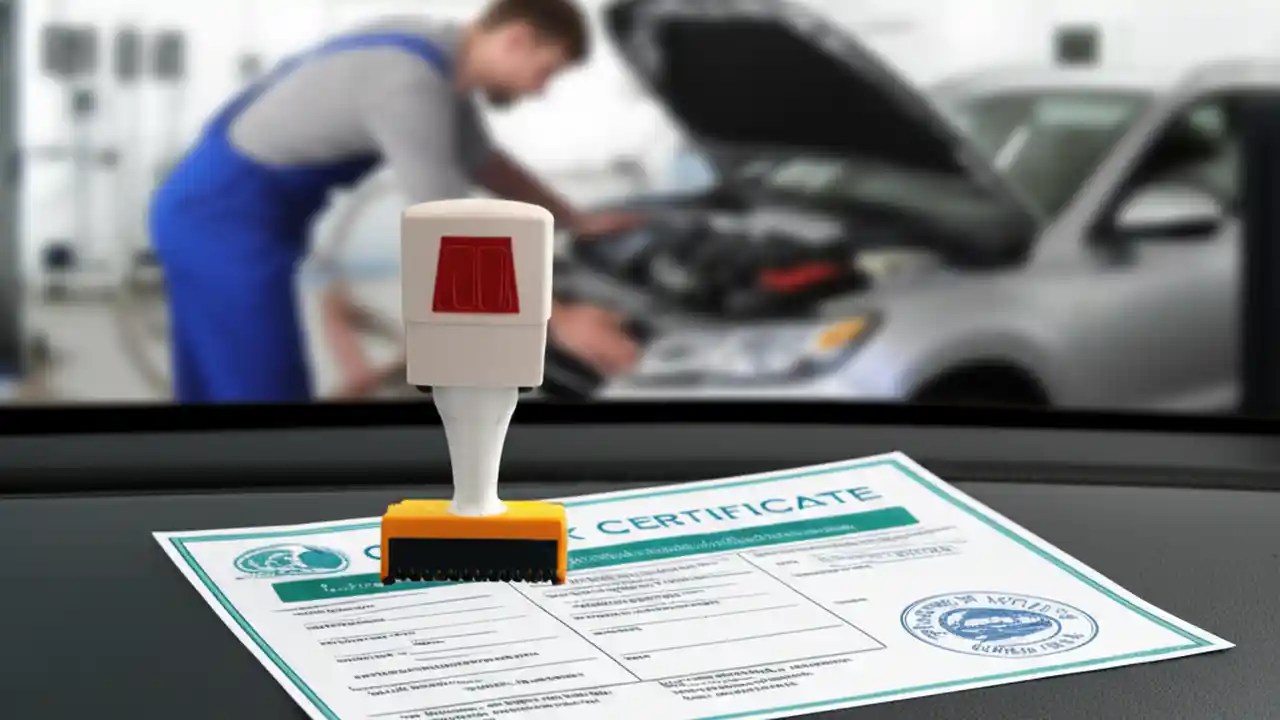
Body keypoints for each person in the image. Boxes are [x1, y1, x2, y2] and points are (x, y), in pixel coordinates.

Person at [148, 0, 641, 403]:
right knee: (260, 395)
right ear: (516, 39)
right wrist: (560, 320)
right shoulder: (409, 83)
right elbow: (452, 227)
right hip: (220, 219)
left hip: (215, 208)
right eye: (544, 71)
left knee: (214, 390)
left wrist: (574, 220)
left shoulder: (435, 57)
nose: (540, 90)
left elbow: (486, 162)